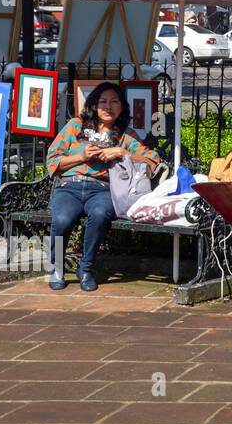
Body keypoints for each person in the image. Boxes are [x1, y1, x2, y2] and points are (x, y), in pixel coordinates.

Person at [45, 83, 161, 291]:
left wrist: (121, 153)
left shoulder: (126, 135)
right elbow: (52, 161)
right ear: (94, 105)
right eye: (103, 102)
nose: (108, 106)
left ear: (122, 107)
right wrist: (81, 156)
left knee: (99, 215)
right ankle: (56, 268)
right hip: (69, 186)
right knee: (62, 220)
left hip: (102, 189)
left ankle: (86, 269)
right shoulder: (75, 125)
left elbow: (152, 159)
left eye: (114, 101)